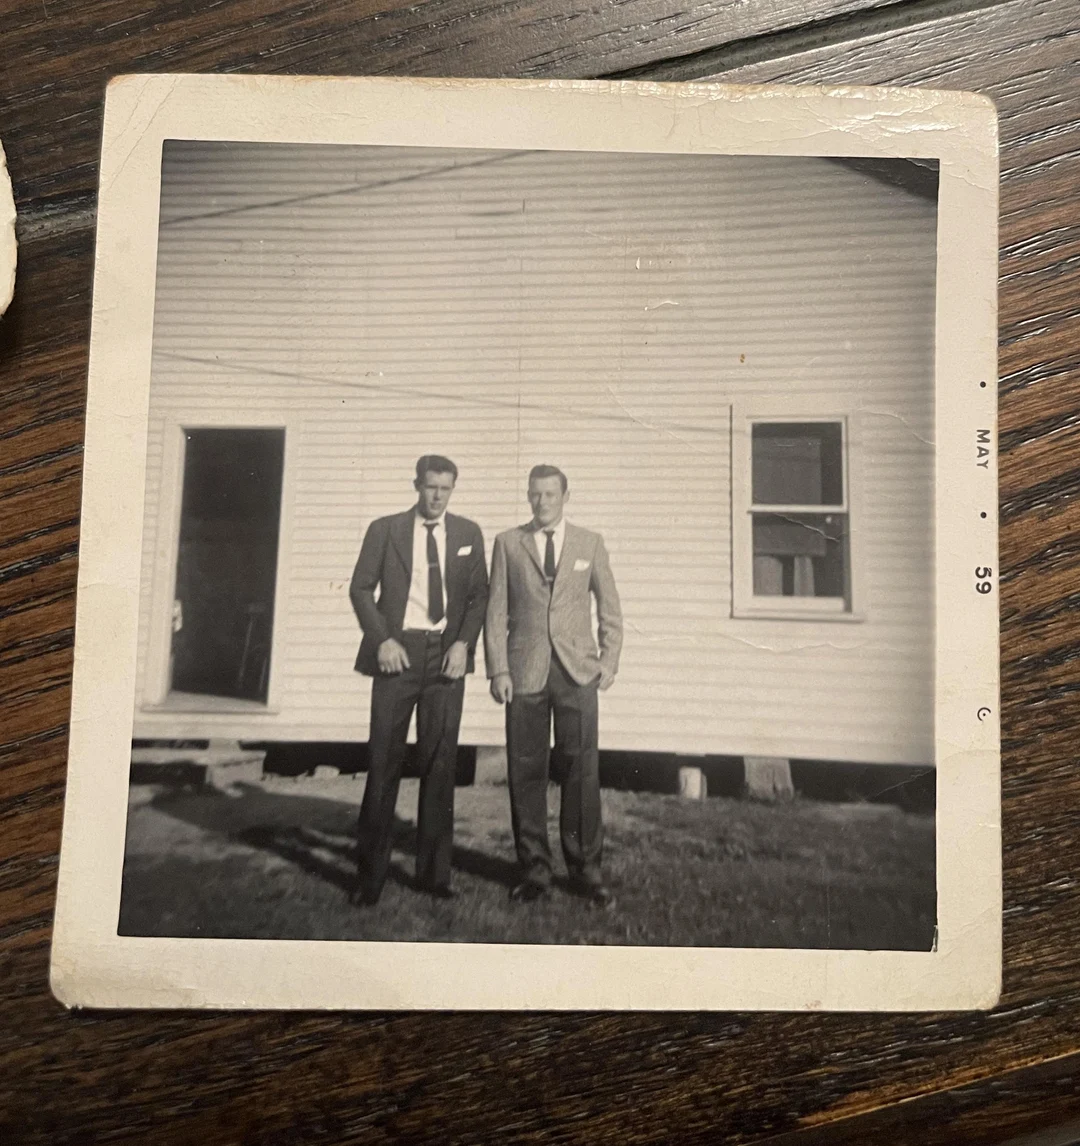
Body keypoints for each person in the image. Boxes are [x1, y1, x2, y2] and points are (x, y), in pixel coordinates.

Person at [348, 455, 488, 905]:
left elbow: (478, 595)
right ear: (416, 485)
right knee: (384, 762)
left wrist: (464, 643)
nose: (437, 496)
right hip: (398, 653)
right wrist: (383, 640)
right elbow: (360, 588)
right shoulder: (385, 529)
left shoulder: (468, 534)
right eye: (430, 487)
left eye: (445, 489)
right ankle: (370, 877)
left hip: (444, 656)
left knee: (440, 764)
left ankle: (434, 875)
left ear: (453, 489)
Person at [485, 464, 623, 907]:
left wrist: (609, 660)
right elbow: (495, 613)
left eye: (550, 494)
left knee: (581, 770)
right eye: (534, 495)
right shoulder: (508, 543)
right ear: (528, 497)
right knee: (525, 772)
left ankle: (586, 869)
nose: (542, 503)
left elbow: (611, 608)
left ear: (566, 496)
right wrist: (498, 670)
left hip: (577, 673)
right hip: (524, 673)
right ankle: (534, 870)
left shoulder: (589, 543)